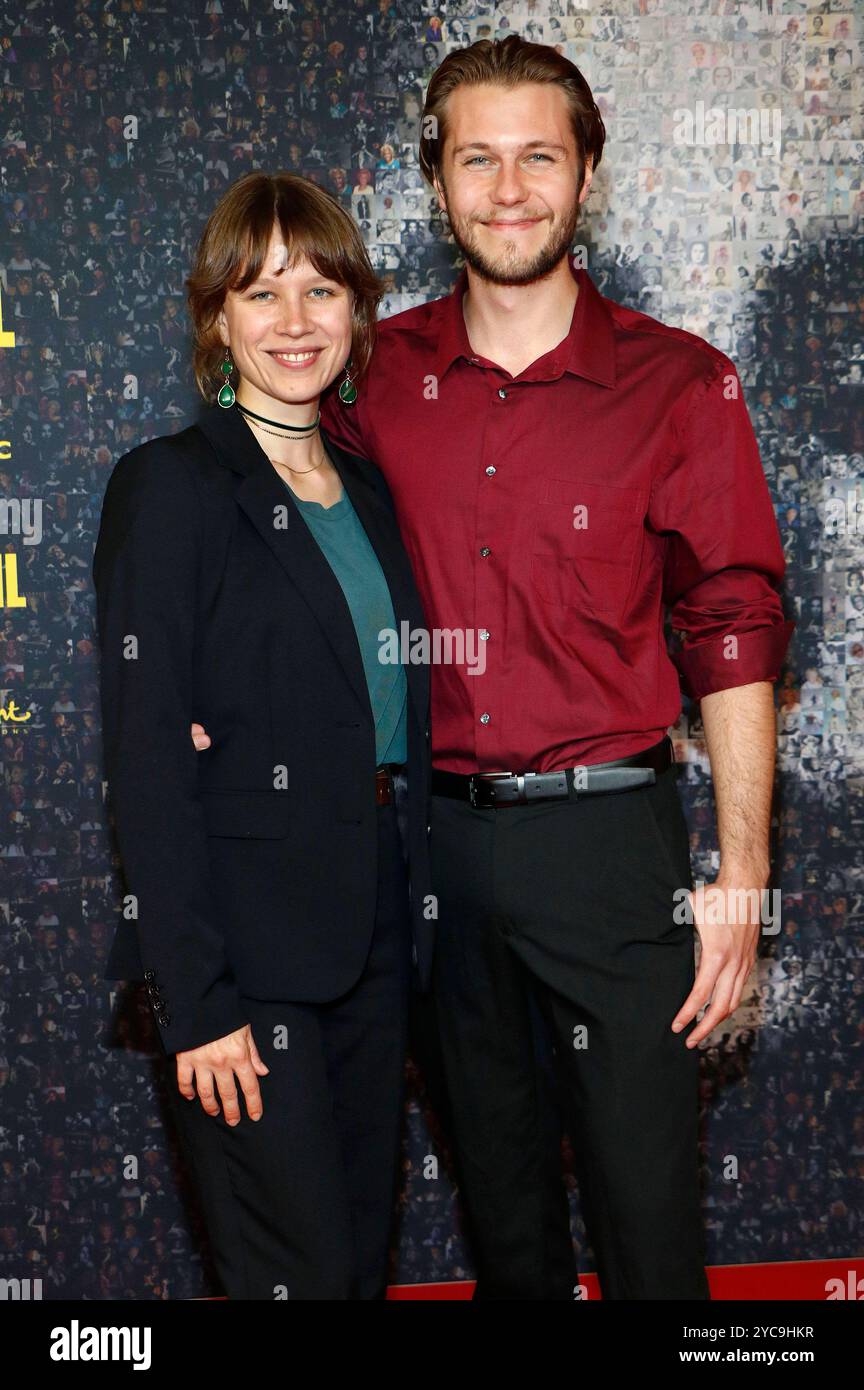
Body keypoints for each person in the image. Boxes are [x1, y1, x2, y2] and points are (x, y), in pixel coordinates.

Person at [191, 37, 795, 1299]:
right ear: (437, 179)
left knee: (650, 1227)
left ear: (587, 175)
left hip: (610, 852)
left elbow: (733, 622)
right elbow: (287, 536)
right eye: (477, 159)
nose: (509, 190)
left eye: (538, 157)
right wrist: (213, 696)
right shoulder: (372, 378)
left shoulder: (682, 384)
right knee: (505, 1228)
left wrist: (743, 874)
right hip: (429, 859)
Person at [93, 171, 432, 1300]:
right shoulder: (171, 486)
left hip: (375, 930)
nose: (295, 320)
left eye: (320, 289)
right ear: (217, 318)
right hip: (243, 957)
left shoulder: (372, 493)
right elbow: (148, 763)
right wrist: (196, 1007)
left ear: (357, 312)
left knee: (357, 1265)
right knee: (301, 1273)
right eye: (261, 291)